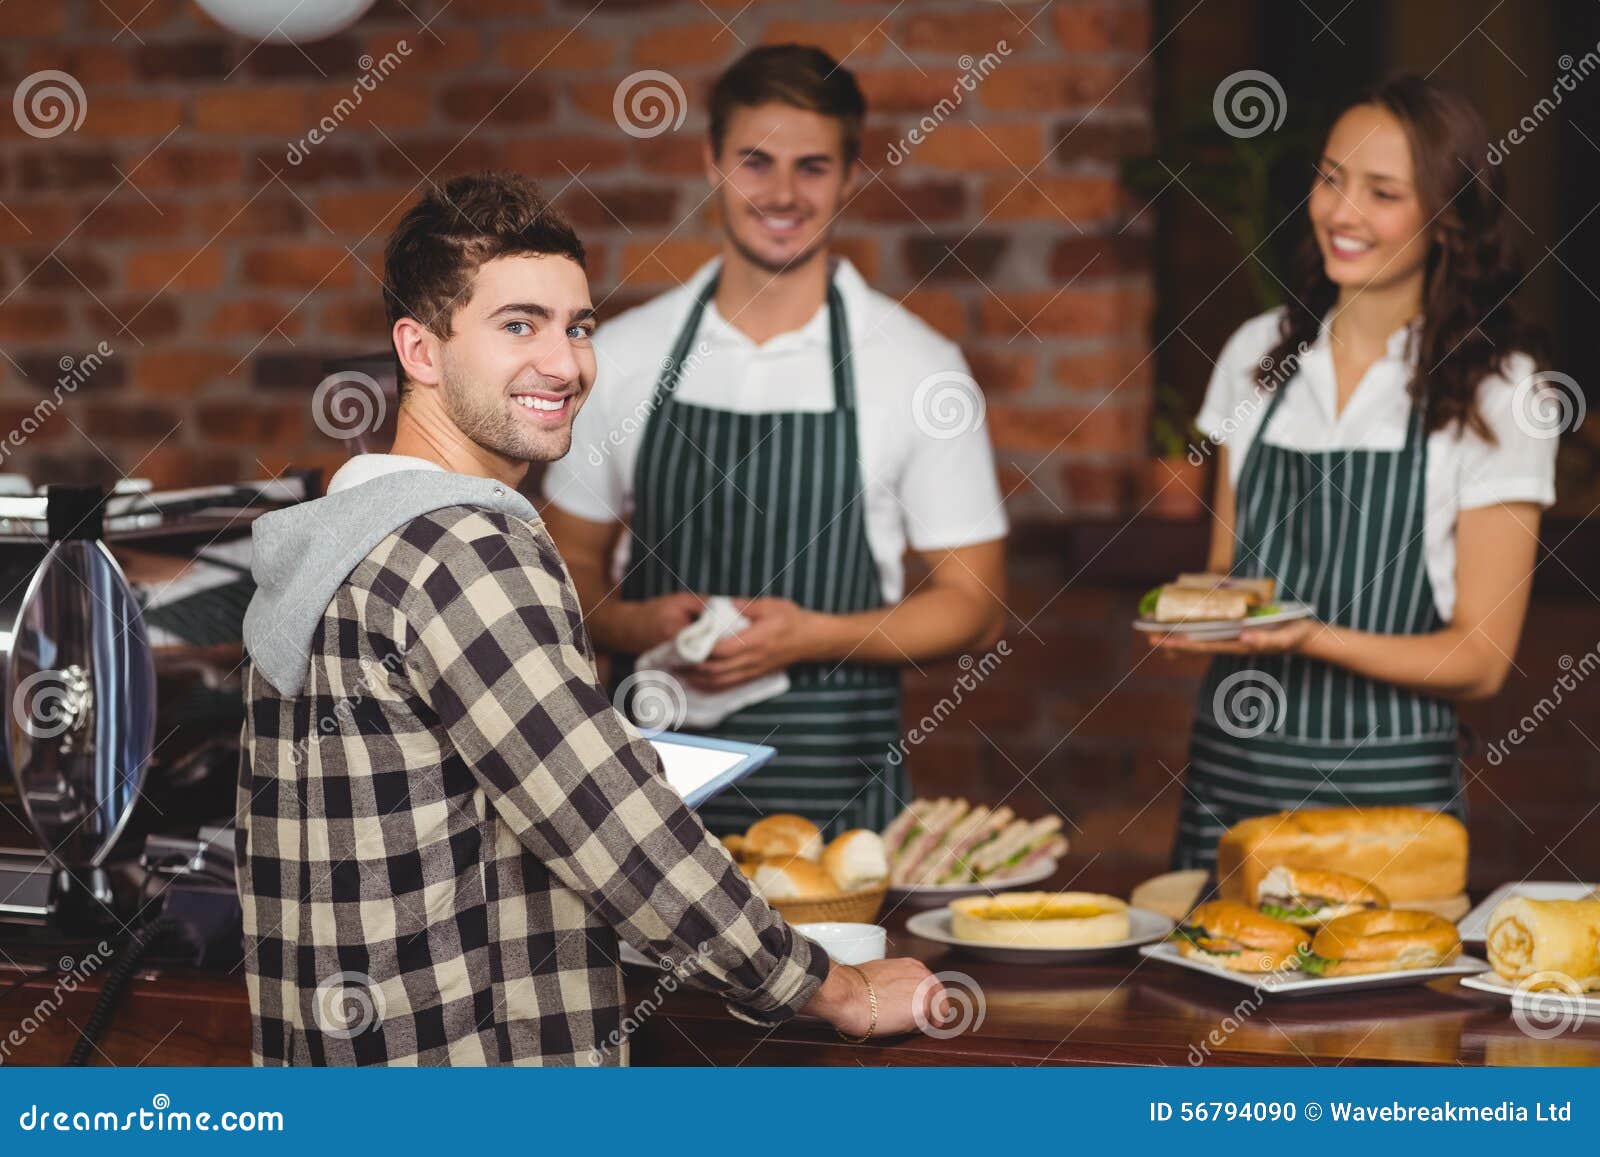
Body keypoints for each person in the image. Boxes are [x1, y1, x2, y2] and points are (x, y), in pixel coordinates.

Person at [237, 172, 942, 1065]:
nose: (566, 364)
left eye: (579, 327)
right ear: (419, 350)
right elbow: (613, 827)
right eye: (518, 325)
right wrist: (833, 987)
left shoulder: (341, 541)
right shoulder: (464, 547)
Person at [543, 45, 1008, 839]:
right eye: (755, 162)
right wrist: (638, 625)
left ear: (850, 175)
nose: (783, 194)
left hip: (841, 816)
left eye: (813, 167)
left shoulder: (917, 367)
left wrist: (815, 637)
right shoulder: (622, 355)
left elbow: (977, 607)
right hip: (647, 817)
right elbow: (563, 574)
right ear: (711, 162)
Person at [1152, 76, 1558, 871]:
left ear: (1446, 219)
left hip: (1389, 807)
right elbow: (1225, 575)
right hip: (1231, 783)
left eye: (1383, 193)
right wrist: (1191, 623)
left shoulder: (1501, 392)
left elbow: (1480, 658)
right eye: (1331, 178)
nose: (1342, 213)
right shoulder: (1254, 355)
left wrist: (1308, 635)